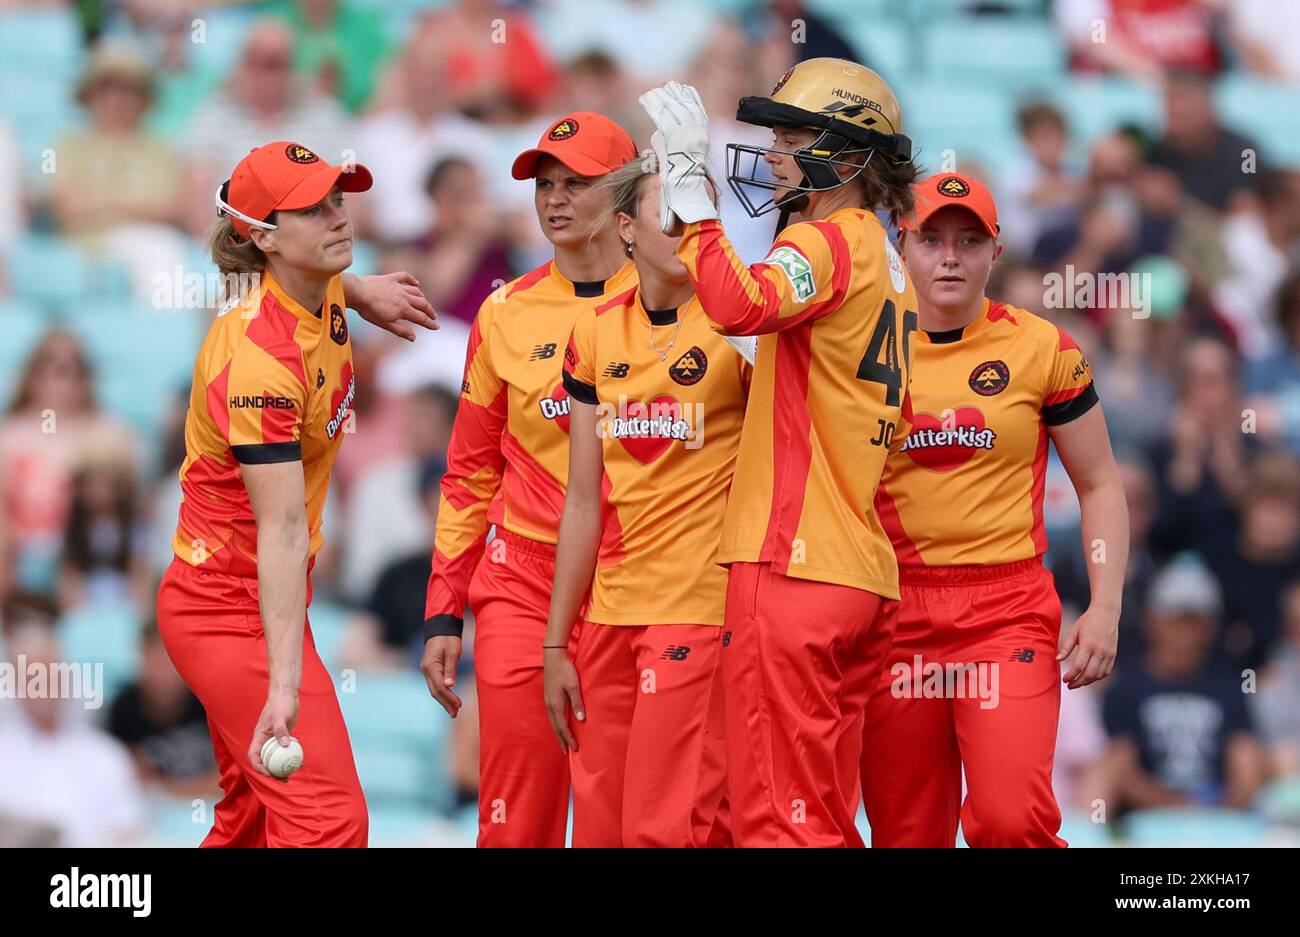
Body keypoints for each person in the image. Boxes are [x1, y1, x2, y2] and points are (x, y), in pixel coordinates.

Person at [639, 58, 919, 846]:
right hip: (852, 568)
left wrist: (695, 204)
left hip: (795, 559)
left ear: (851, 150)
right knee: (819, 813)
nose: (772, 155)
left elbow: (738, 301)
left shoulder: (828, 240)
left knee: (776, 821)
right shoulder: (885, 256)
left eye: (793, 137)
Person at [156, 140, 434, 847]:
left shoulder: (318, 289)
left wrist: (362, 290)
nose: (338, 217)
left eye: (338, 199)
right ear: (262, 235)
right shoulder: (259, 362)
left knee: (250, 819)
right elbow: (279, 532)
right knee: (331, 822)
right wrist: (284, 684)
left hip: (251, 599)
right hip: (227, 608)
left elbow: (322, 288)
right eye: (312, 209)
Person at [860, 172, 1128, 848]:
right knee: (907, 832)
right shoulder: (856, 351)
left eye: (969, 240)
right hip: (894, 612)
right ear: (901, 245)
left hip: (1004, 610)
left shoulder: (1043, 348)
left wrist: (1104, 606)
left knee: (1013, 819)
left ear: (996, 252)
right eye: (932, 240)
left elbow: (1099, 483)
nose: (950, 257)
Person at [419, 112, 638, 848]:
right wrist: (445, 608)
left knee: (616, 819)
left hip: (633, 585)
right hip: (523, 582)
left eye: (577, 183)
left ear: (625, 192)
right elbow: (469, 472)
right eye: (546, 183)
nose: (555, 198)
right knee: (514, 819)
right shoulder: (505, 313)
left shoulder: (681, 304)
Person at [542, 159, 748, 847]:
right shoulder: (597, 332)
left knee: (666, 829)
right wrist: (555, 639)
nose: (688, 225)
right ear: (626, 228)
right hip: (608, 616)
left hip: (696, 610)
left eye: (701, 208)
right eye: (673, 209)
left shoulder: (739, 330)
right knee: (598, 828)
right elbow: (581, 500)